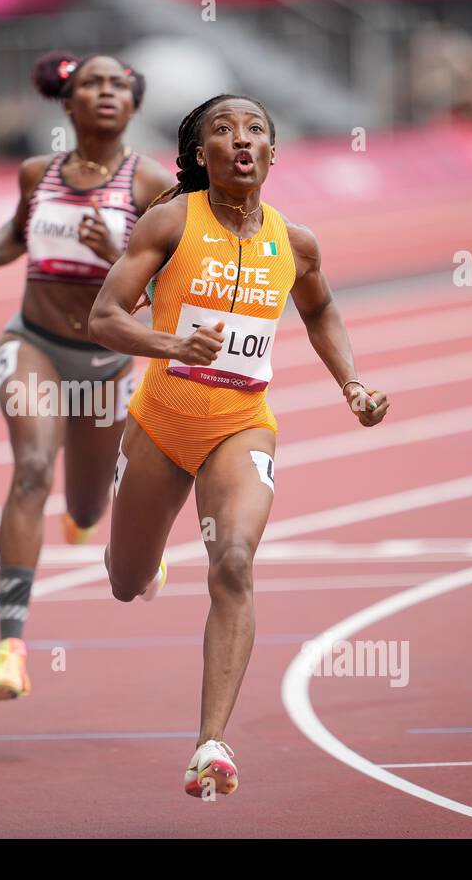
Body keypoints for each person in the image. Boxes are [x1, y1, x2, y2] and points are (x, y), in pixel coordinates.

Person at [89, 94, 389, 796]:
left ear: (274, 153)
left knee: (232, 561)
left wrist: (352, 383)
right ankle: (140, 559)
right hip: (162, 422)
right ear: (200, 156)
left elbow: (320, 309)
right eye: (222, 130)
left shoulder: (297, 242)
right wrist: (171, 342)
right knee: (126, 581)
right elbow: (104, 317)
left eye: (256, 129)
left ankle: (211, 743)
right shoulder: (170, 222)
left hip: (240, 424)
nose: (241, 139)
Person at [0, 50, 174, 701]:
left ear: (133, 104)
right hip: (35, 344)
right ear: (67, 103)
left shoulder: (152, 187)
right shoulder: (35, 174)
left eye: (118, 84)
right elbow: (16, 237)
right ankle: (10, 646)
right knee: (33, 468)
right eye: (92, 83)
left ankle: (90, 519)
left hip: (105, 363)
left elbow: (169, 296)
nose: (105, 91)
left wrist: (118, 257)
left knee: (86, 506)